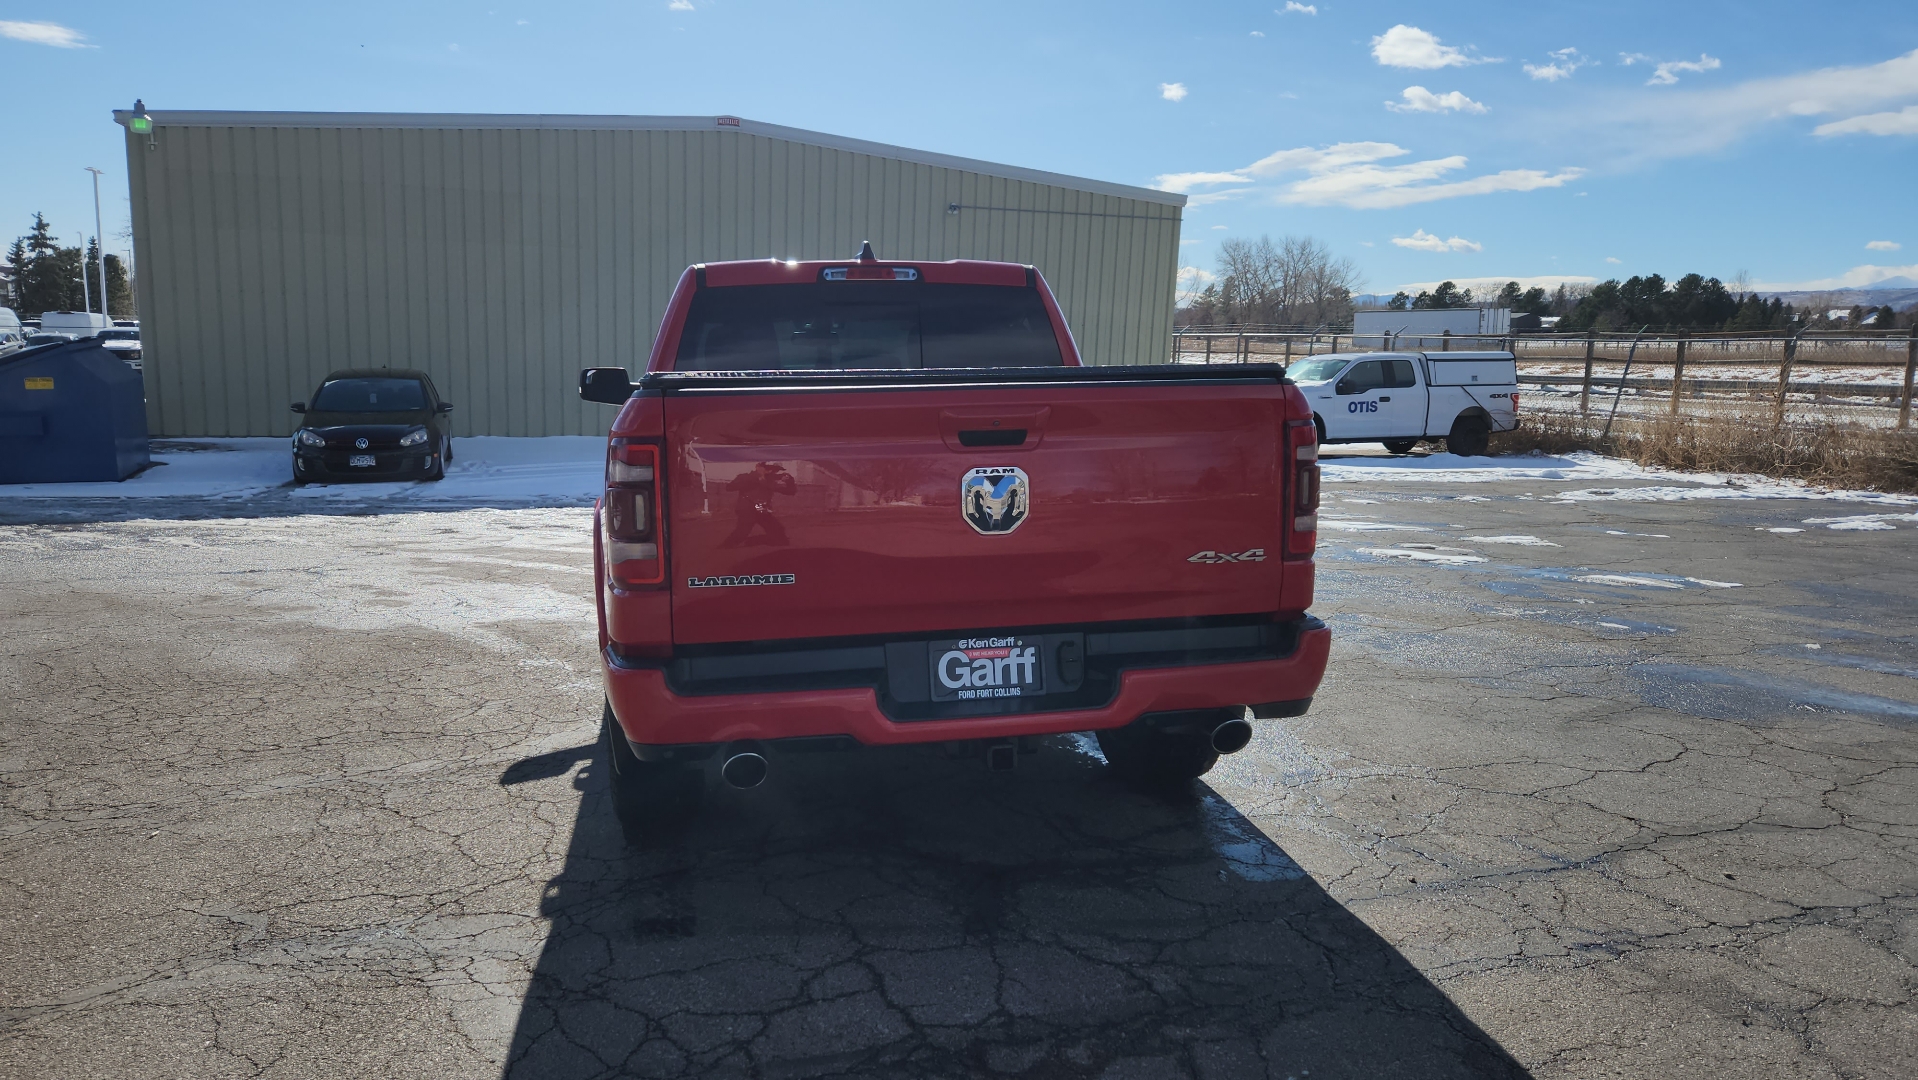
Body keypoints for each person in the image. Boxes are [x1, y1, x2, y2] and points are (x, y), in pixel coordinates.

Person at [720, 462, 796, 546]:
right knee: (742, 532)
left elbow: (790, 491)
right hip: (747, 507)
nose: (772, 471)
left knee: (777, 530)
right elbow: (729, 487)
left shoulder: (771, 479)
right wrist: (753, 480)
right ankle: (722, 550)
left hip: (760, 507)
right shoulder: (746, 477)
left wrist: (789, 481)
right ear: (758, 467)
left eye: (776, 470)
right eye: (769, 468)